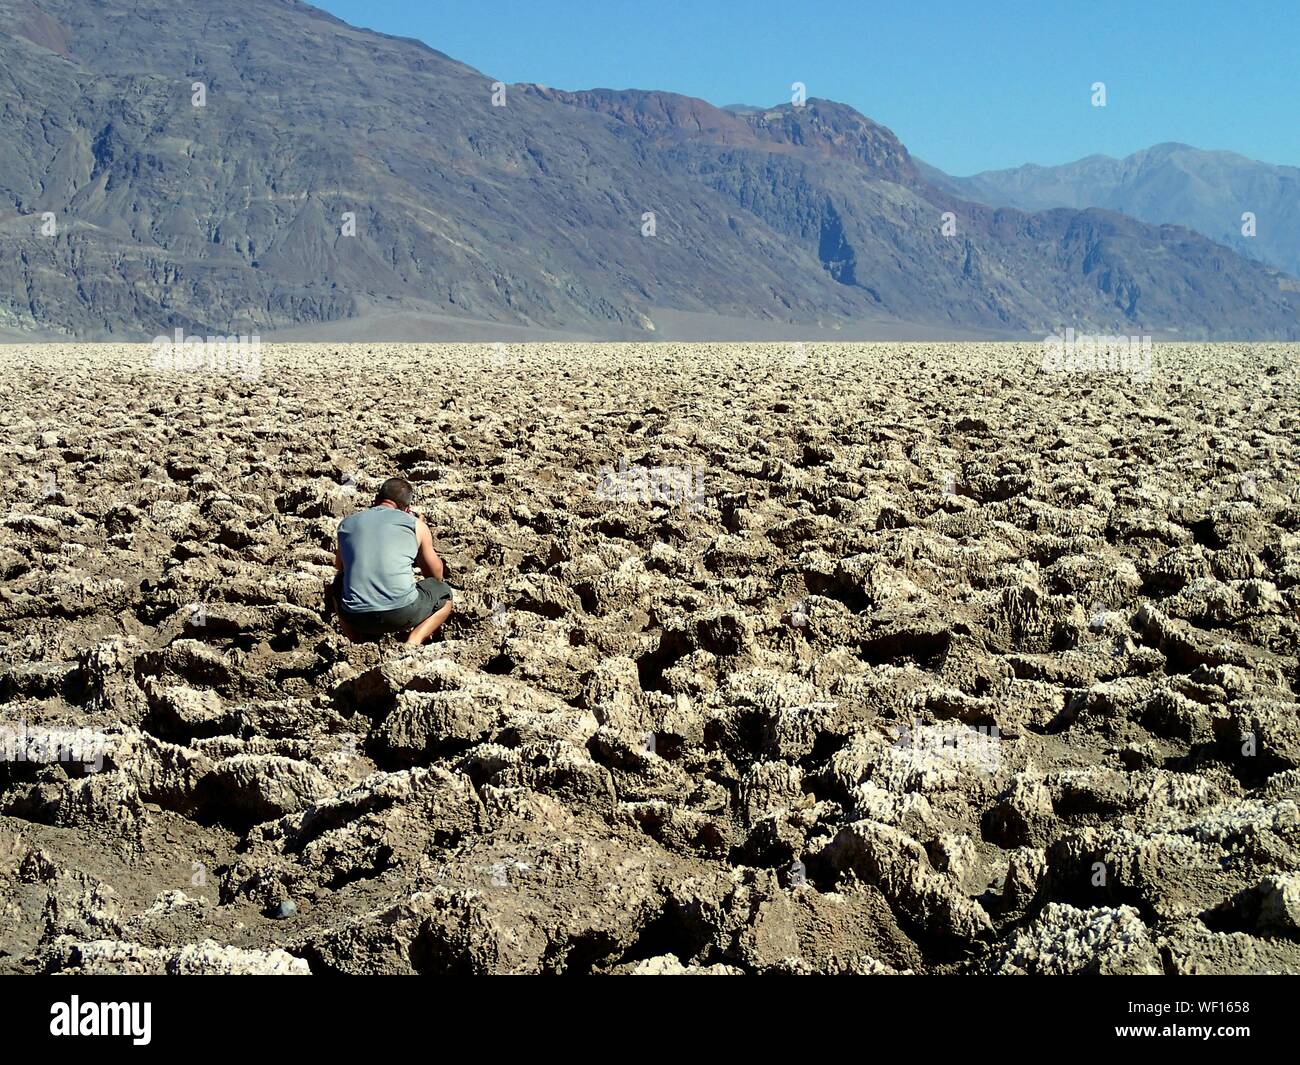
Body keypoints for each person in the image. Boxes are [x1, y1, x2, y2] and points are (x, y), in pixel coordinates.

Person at [332, 477, 453, 645]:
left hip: (355, 616)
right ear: (407, 508)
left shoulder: (346, 523)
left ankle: (357, 643)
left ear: (376, 500)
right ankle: (413, 641)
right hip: (401, 613)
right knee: (444, 594)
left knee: (338, 582)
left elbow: (340, 567)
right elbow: (435, 575)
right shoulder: (415, 524)